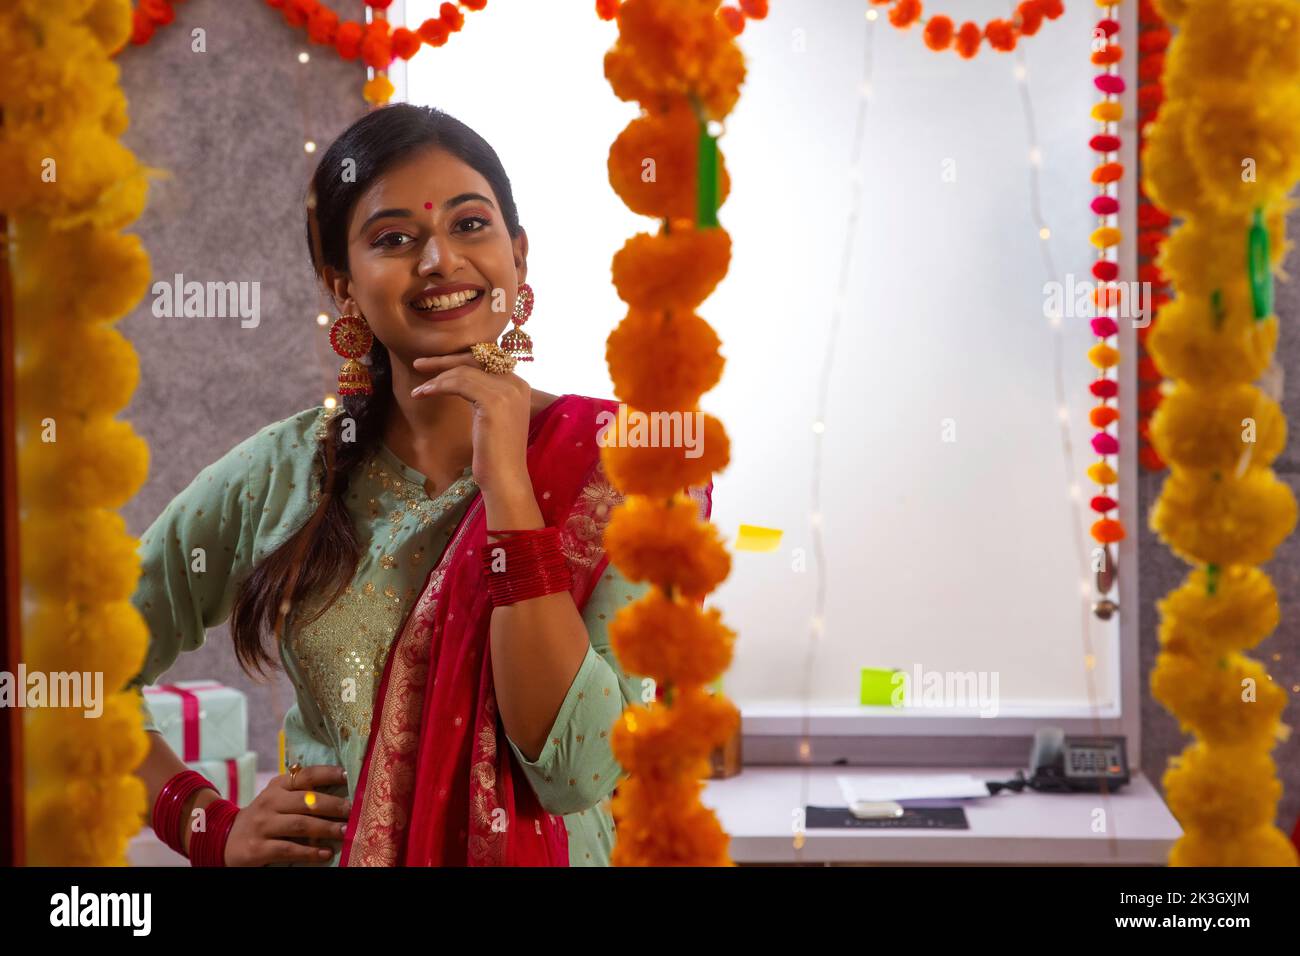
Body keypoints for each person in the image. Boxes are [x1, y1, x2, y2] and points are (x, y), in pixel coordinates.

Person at [127, 103, 711, 866]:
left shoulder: (626, 467)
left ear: (519, 256)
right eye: (395, 239)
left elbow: (574, 769)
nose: (439, 260)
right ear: (344, 284)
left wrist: (507, 484)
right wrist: (202, 823)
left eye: (471, 225)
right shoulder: (281, 473)